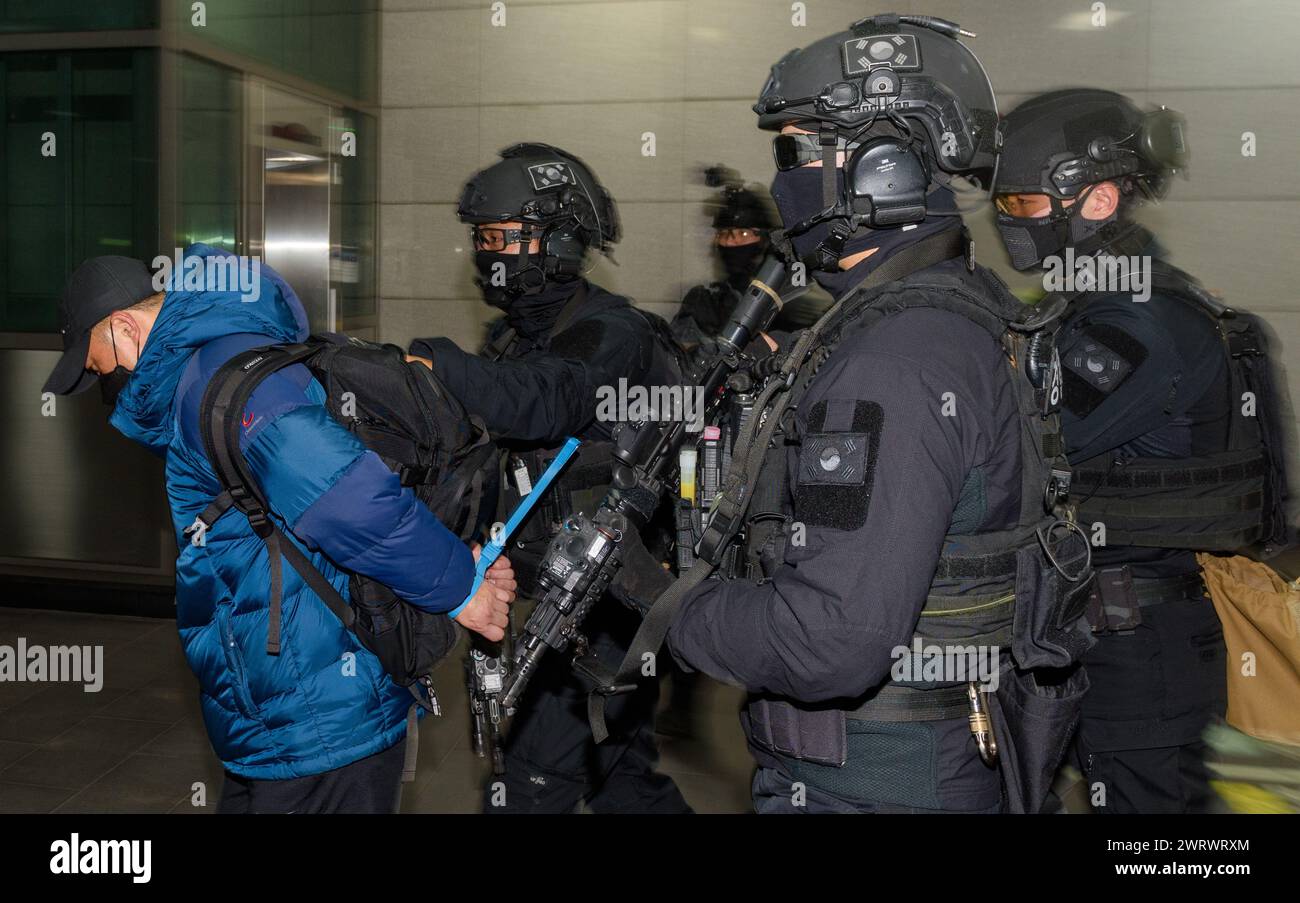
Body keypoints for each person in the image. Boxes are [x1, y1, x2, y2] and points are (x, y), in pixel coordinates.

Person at [658, 13, 1091, 814]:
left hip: (877, 784)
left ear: (877, 168)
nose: (781, 175)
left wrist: (667, 603)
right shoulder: (956, 313)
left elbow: (831, 640)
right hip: (932, 765)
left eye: (792, 149)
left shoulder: (896, 356)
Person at [42, 245, 514, 814]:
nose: (102, 381)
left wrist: (460, 588)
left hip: (318, 723)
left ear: (122, 327)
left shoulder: (222, 384)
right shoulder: (206, 375)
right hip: (280, 717)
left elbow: (348, 498)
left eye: (96, 363)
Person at [408, 144, 692, 814]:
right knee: (621, 771)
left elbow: (545, 399)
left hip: (611, 597)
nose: (487, 253)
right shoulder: (515, 339)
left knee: (532, 780)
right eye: (481, 238)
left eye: (501, 237)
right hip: (551, 590)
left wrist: (431, 364)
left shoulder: (614, 333)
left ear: (557, 240)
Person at [993, 89, 1242, 813]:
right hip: (1094, 634)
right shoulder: (1091, 305)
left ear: (1098, 199)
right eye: (1004, 203)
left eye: (1026, 205)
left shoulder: (1140, 321)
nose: (1010, 220)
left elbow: (1022, 446)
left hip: (1137, 651)